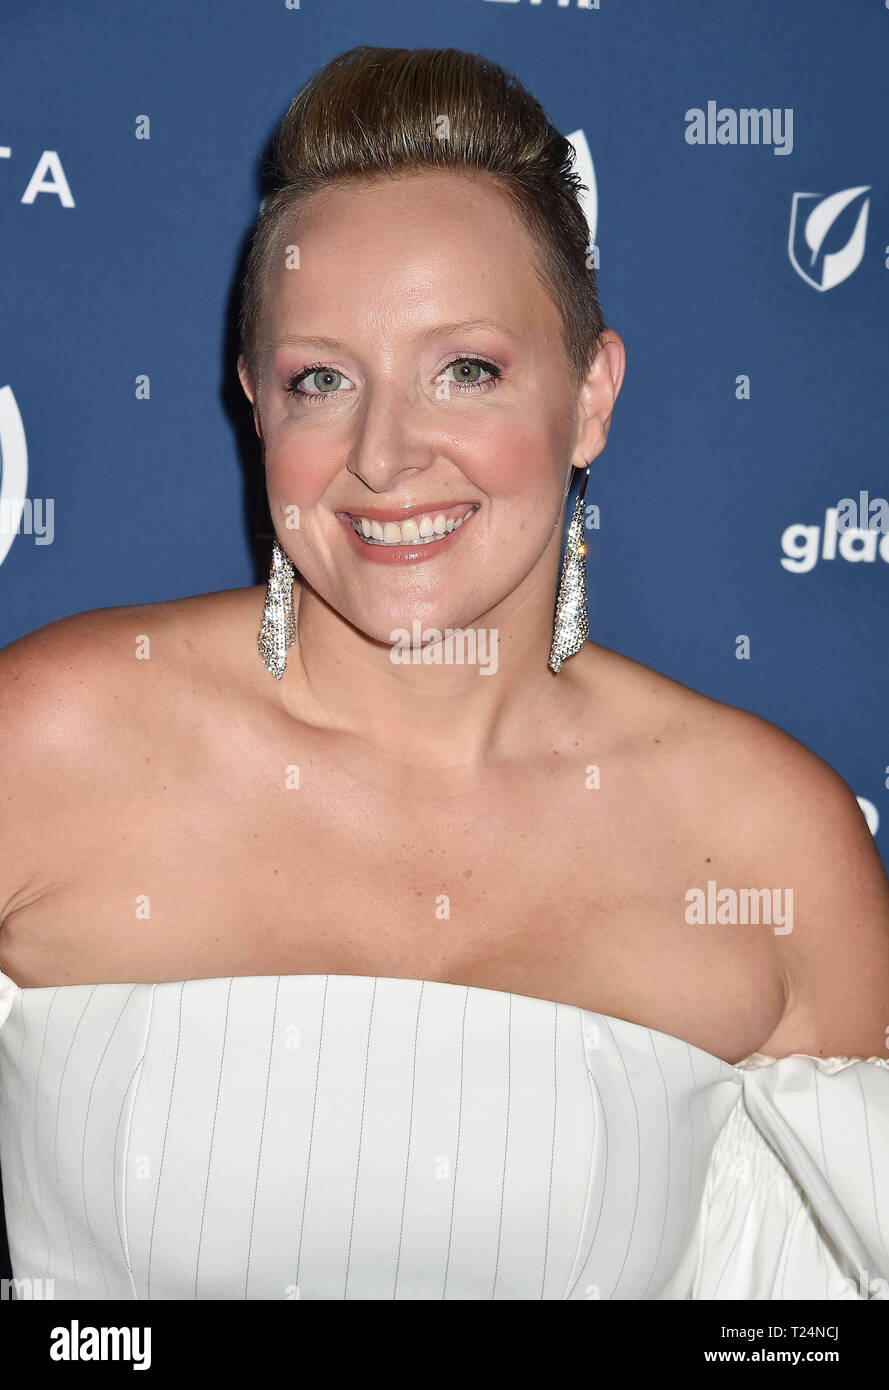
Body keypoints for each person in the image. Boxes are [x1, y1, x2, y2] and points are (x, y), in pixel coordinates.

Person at [0, 45, 887, 1301]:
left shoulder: (762, 843)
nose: (383, 454)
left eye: (464, 370)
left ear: (588, 399)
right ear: (255, 404)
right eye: (321, 381)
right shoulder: (46, 745)